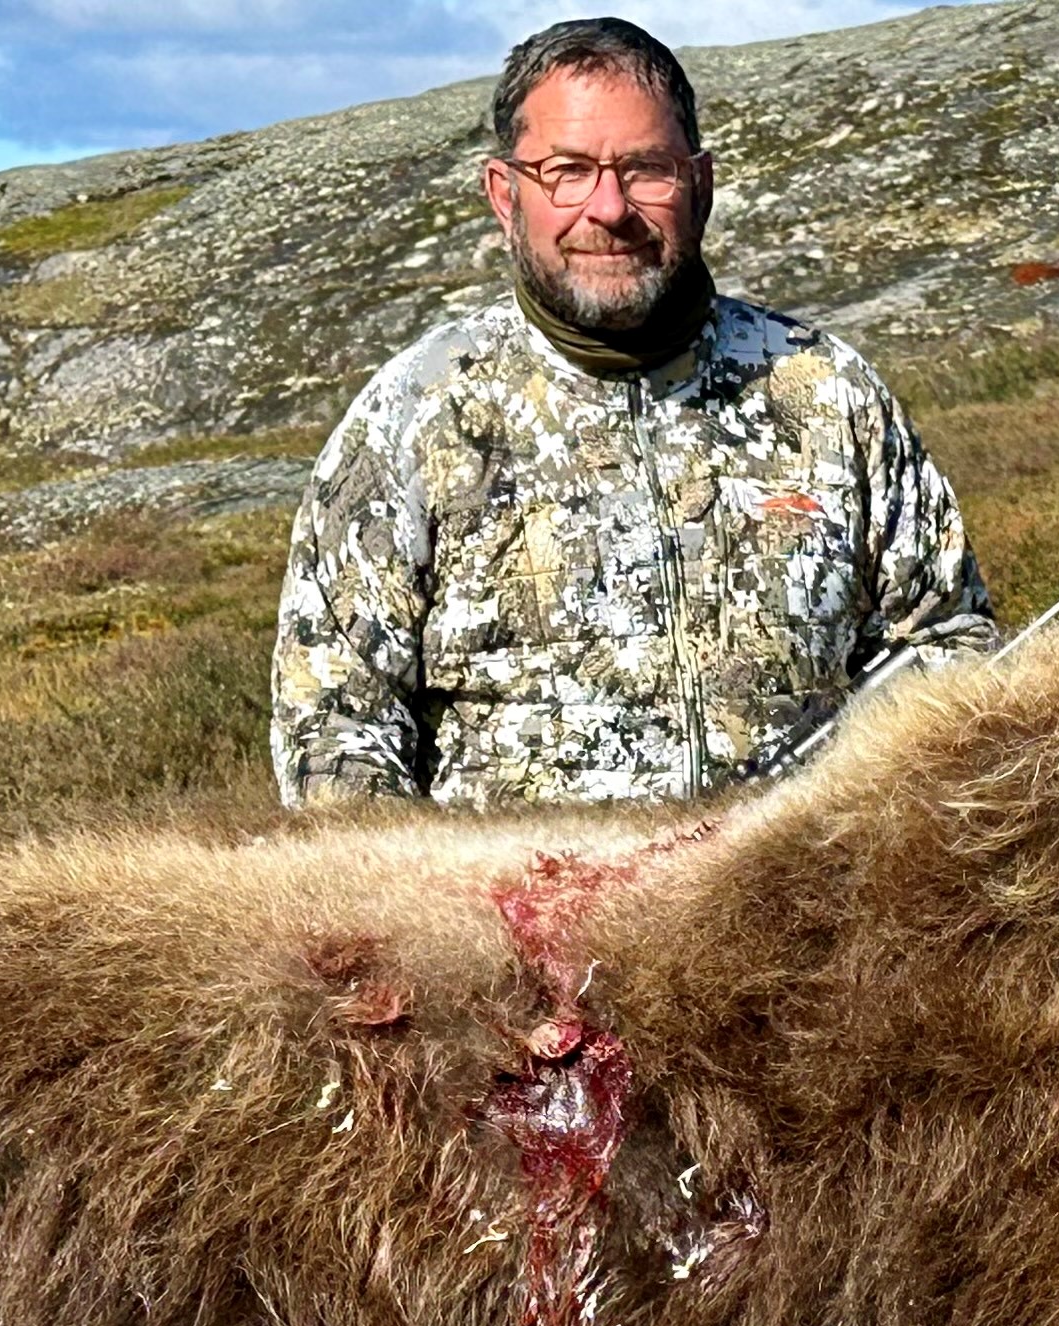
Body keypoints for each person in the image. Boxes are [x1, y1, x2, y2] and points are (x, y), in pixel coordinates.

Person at [269, 17, 995, 807]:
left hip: (796, 908)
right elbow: (333, 734)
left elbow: (945, 644)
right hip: (509, 921)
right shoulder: (412, 416)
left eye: (647, 169)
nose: (609, 208)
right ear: (505, 195)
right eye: (567, 172)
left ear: (701, 186)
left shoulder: (826, 389)